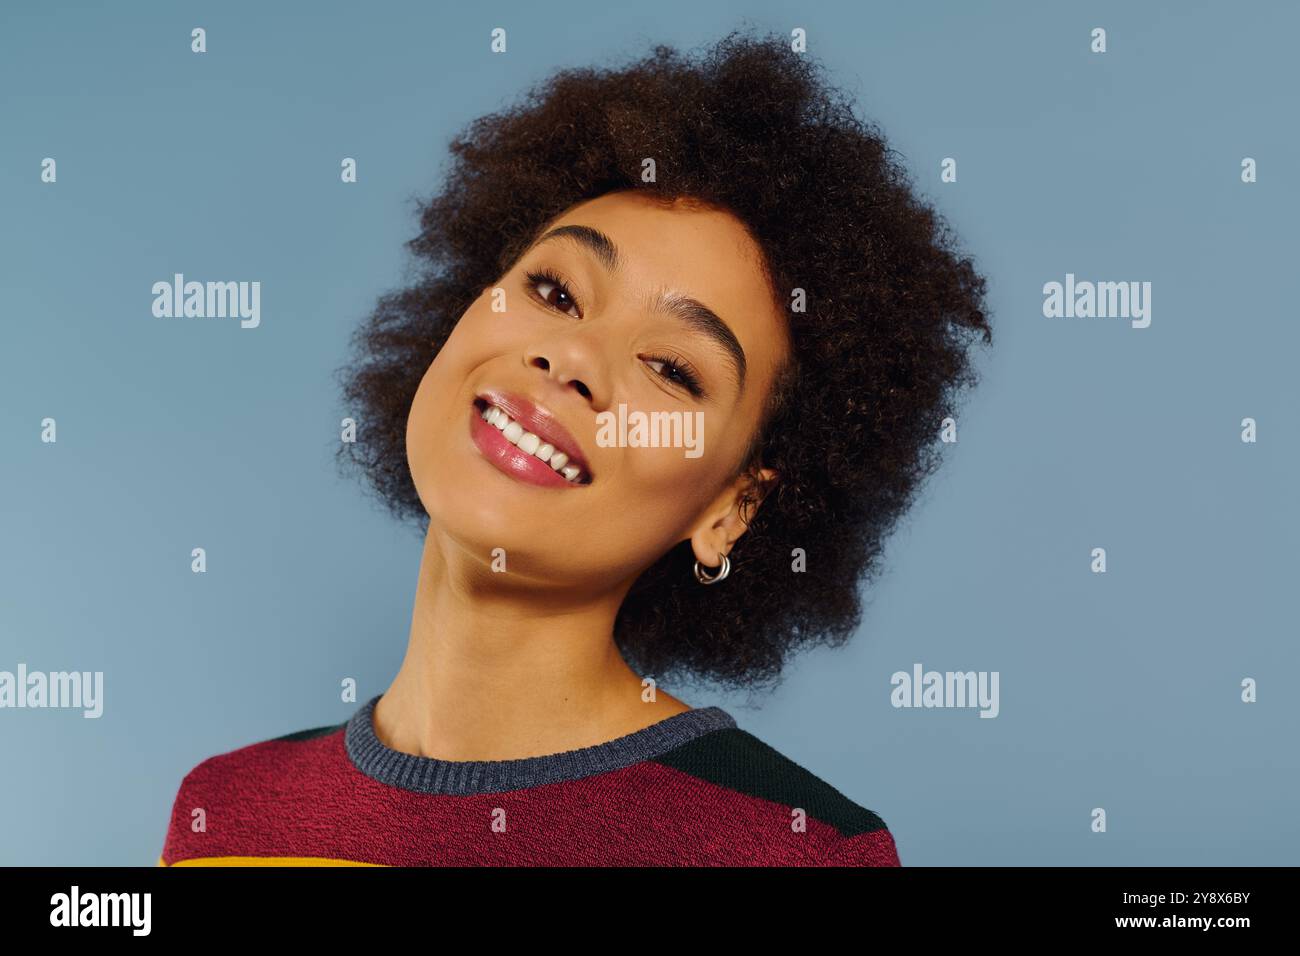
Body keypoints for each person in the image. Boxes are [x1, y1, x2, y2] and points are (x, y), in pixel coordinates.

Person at [159, 29, 990, 867]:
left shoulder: (792, 851)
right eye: (554, 291)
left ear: (730, 510)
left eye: (671, 368)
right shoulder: (222, 812)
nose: (575, 359)